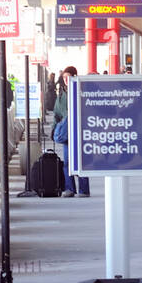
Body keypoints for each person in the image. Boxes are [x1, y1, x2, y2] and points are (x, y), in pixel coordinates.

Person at [54, 66, 90, 198]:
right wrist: (55, 128)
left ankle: (84, 189)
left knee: (80, 160)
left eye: (68, 77)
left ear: (74, 76)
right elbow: (57, 113)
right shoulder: (62, 95)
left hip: (79, 131)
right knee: (67, 162)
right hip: (66, 133)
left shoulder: (81, 91)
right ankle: (69, 188)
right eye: (64, 77)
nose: (65, 80)